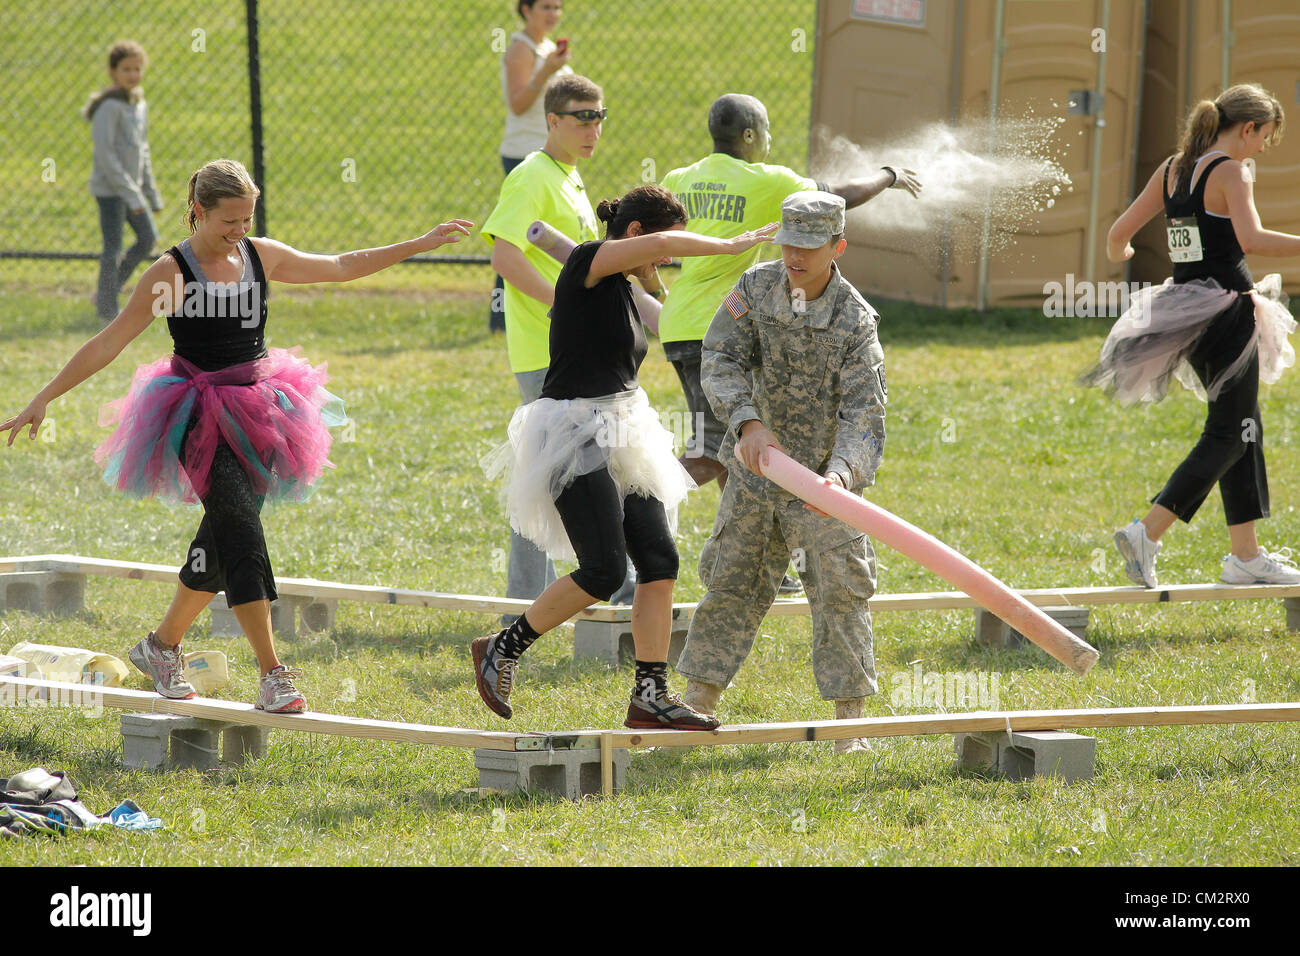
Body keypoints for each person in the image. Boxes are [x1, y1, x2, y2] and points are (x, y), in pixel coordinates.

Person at [2, 158, 473, 713]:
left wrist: (418, 243)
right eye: (229, 220)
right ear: (197, 211)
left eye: (247, 219)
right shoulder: (171, 274)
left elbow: (343, 265)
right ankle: (273, 673)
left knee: (223, 538)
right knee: (243, 533)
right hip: (195, 412)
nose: (239, 231)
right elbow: (110, 342)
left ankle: (161, 646)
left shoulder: (258, 256)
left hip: (261, 409)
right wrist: (45, 396)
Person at [476, 184, 778, 730]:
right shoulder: (590, 260)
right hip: (573, 429)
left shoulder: (625, 289)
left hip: (625, 428)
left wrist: (667, 282)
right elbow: (659, 247)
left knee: (660, 562)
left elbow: (682, 324)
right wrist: (730, 245)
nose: (666, 258)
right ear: (635, 234)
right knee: (603, 569)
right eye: (660, 248)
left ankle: (650, 694)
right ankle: (503, 646)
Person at [658, 93, 918, 593]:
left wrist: (658, 296)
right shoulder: (768, 181)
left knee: (742, 443)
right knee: (717, 449)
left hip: (683, 324)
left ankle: (764, 559)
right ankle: (638, 504)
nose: (772, 140)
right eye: (768, 130)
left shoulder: (679, 178)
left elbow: (651, 236)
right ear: (751, 135)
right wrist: (887, 176)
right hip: (732, 330)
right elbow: (832, 200)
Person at [674, 192, 887, 754]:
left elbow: (864, 414)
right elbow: (718, 357)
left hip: (821, 484)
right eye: (789, 242)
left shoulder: (855, 321)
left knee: (841, 589)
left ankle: (849, 727)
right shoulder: (753, 290)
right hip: (754, 470)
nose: (795, 255)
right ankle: (696, 706)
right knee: (733, 581)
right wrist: (745, 423)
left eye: (810, 247)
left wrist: (841, 479)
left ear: (837, 247)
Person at [1088, 83, 1300, 588]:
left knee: (1243, 427)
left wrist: (1125, 257)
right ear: (1247, 128)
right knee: (1229, 432)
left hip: (1186, 310)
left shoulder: (1173, 168)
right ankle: (1148, 531)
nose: (1263, 149)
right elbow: (1251, 240)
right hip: (1228, 312)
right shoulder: (1230, 170)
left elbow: (1119, 235)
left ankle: (1245, 557)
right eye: (1264, 137)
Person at [482, 73, 635, 614]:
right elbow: (505, 257)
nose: (593, 128)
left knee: (565, 471)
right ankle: (568, 596)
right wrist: (562, 307)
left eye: (600, 116)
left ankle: (556, 595)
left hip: (566, 355)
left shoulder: (567, 176)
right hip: (546, 356)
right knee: (570, 471)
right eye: (581, 117)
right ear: (552, 121)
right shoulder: (532, 177)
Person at [490, 0, 574, 333]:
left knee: (538, 233)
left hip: (550, 152)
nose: (553, 13)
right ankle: (501, 317)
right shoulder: (520, 49)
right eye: (545, 7)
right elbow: (518, 102)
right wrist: (546, 72)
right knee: (513, 236)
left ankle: (542, 305)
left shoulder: (548, 47)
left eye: (558, 7)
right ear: (525, 9)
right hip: (524, 153)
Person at [84, 40, 163, 321]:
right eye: (126, 69)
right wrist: (132, 195)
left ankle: (107, 292)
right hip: (111, 191)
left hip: (134, 192)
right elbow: (106, 156)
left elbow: (142, 151)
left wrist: (150, 194)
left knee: (147, 238)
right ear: (113, 72)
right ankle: (106, 309)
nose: (133, 74)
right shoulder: (108, 107)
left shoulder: (138, 103)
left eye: (137, 68)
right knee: (113, 248)